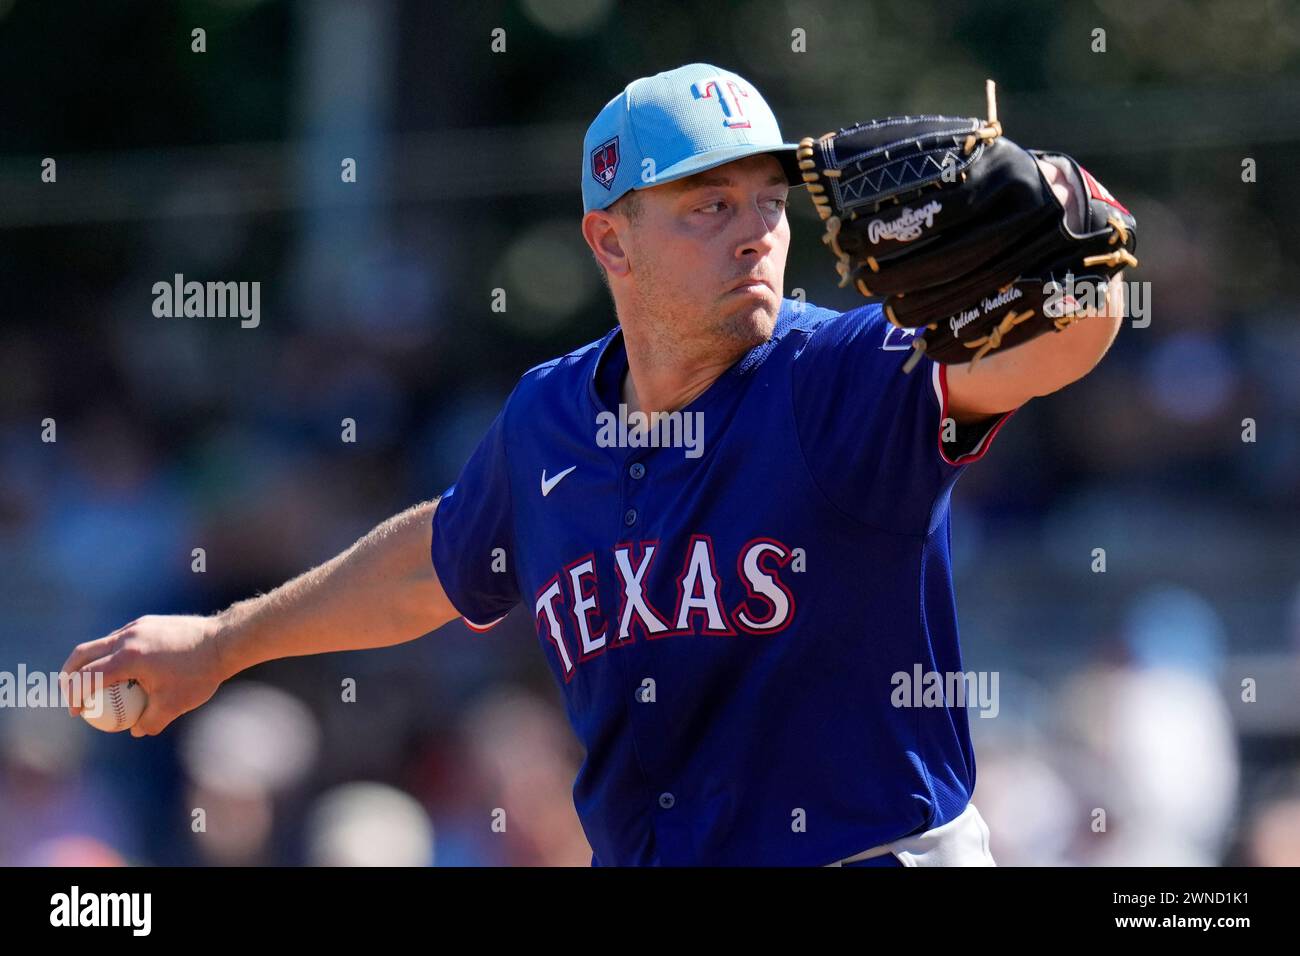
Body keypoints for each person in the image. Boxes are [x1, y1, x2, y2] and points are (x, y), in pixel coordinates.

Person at [62, 63, 1126, 866]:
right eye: (708, 206)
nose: (754, 231)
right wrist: (218, 641)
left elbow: (1053, 348)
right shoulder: (548, 419)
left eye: (766, 200)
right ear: (610, 243)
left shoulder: (846, 370)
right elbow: (430, 566)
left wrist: (1080, 247)